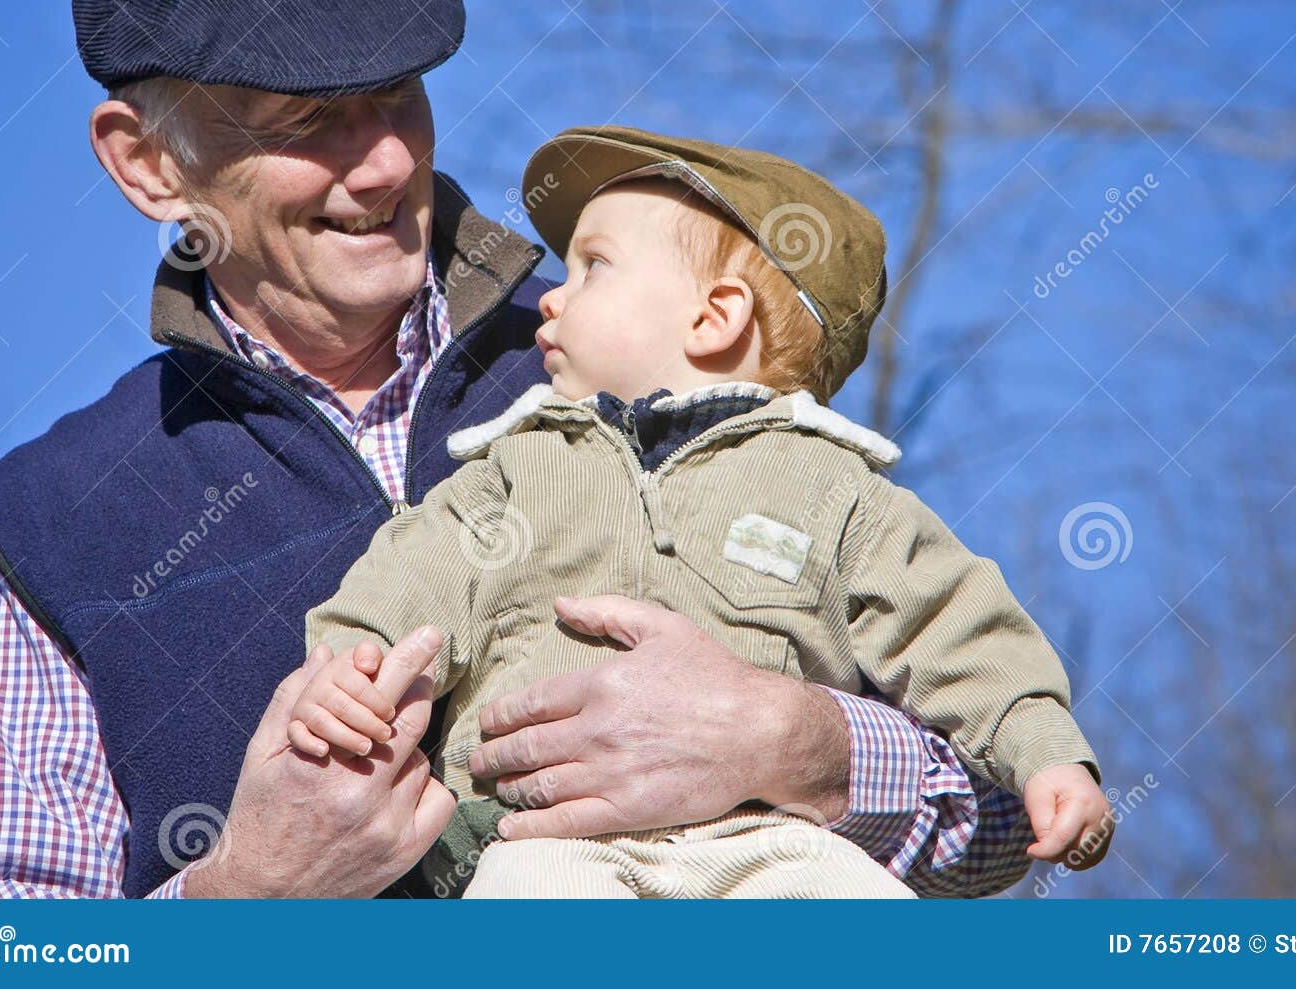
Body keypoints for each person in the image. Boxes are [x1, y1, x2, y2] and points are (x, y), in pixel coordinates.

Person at [0, 0, 1045, 900]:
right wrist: (241, 896)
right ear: (148, 162)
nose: (383, 163)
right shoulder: (43, 531)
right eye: (307, 119)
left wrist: (808, 748)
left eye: (396, 96)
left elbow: (1015, 807)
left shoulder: (665, 361)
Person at [293, 127, 1112, 897]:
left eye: (592, 267)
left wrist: (1045, 755)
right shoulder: (517, 464)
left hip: (776, 837)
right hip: (542, 832)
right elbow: (412, 576)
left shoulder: (836, 490)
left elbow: (955, 625)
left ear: (715, 317)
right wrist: (347, 668)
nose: (550, 298)